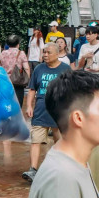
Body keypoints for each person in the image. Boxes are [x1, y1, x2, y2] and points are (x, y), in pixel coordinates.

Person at [24, 42, 71, 181]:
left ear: (57, 54)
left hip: (58, 112)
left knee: (60, 141)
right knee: (36, 140)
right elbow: (32, 89)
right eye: (44, 52)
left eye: (48, 52)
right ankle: (33, 169)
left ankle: (62, 167)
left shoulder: (66, 69)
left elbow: (71, 91)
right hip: (40, 110)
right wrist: (29, 106)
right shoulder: (39, 69)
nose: (45, 55)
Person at [0, 33, 31, 103]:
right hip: (18, 82)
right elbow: (27, 68)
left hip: (6, 81)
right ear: (18, 44)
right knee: (18, 103)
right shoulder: (21, 53)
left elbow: (0, 67)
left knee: (6, 102)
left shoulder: (3, 53)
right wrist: (27, 79)